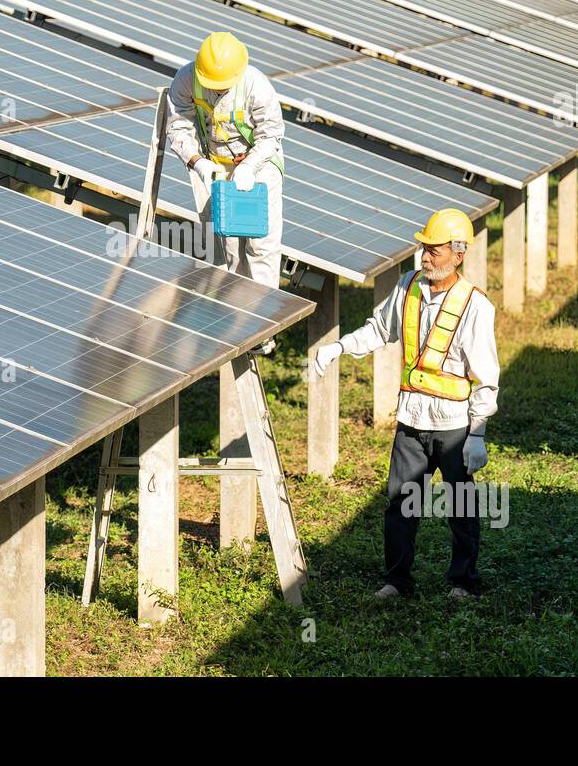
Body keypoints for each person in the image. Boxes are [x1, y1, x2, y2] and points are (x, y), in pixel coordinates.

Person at [311, 208, 499, 599]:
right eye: (424, 248)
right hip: (412, 421)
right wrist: (341, 347)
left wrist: (476, 433)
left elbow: (486, 377)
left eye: (435, 250)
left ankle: (463, 582)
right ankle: (398, 581)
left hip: (452, 426)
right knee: (401, 503)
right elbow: (380, 329)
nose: (425, 256)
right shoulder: (407, 287)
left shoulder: (475, 306)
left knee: (460, 505)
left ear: (458, 254)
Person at [166, 32, 285, 353]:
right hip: (214, 166)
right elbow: (177, 126)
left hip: (260, 165)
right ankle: (236, 319)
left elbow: (272, 134)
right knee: (230, 245)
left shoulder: (255, 85)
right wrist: (197, 163)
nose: (218, 89)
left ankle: (261, 328)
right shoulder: (186, 80)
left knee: (261, 245)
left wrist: (250, 167)